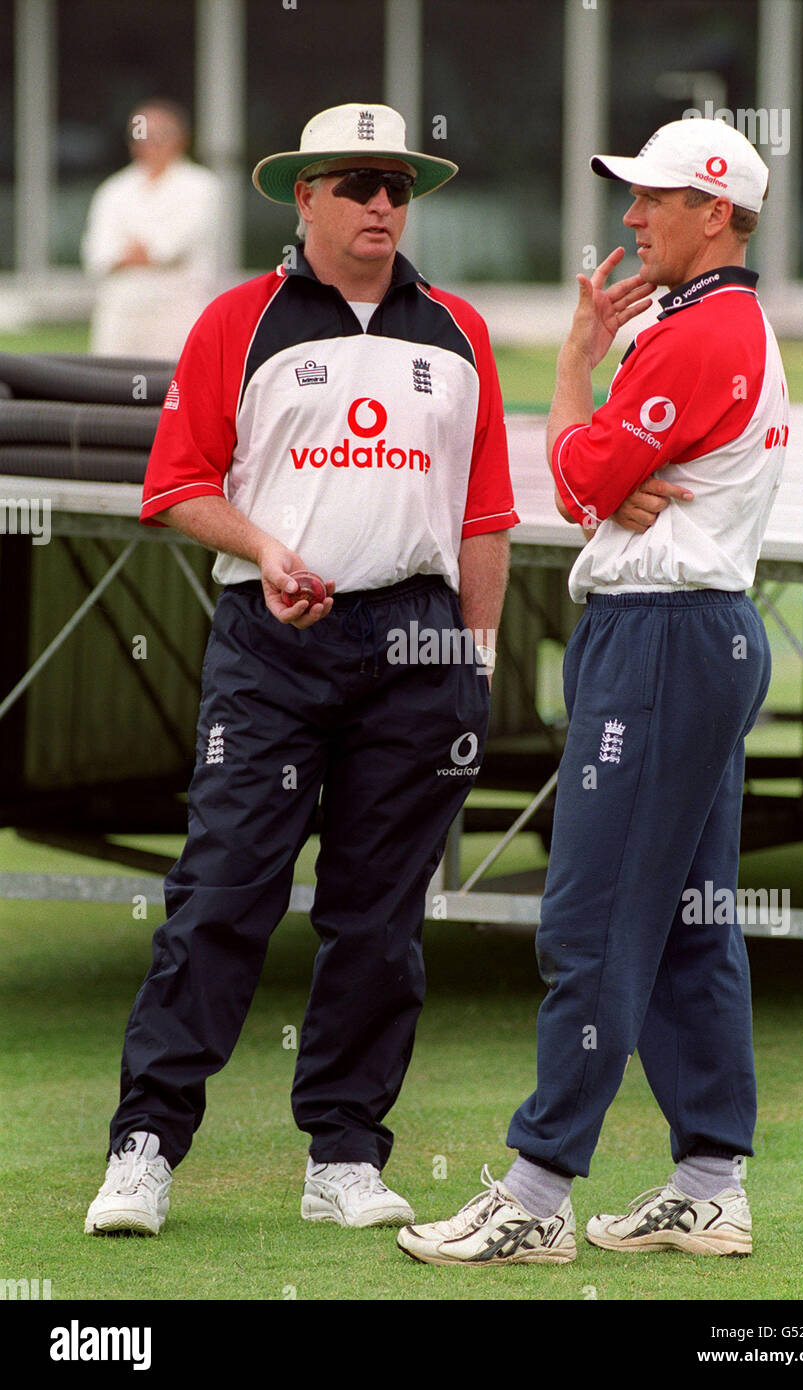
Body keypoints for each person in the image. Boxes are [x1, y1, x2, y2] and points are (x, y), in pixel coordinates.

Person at [84, 103, 517, 1236]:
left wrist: (474, 657)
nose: (383, 202)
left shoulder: (461, 330)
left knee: (379, 919)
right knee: (223, 893)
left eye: (398, 184)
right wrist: (266, 546)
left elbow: (485, 518)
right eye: (359, 182)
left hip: (419, 650)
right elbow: (177, 484)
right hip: (274, 645)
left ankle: (344, 1156)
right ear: (305, 196)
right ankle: (144, 1146)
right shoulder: (239, 319)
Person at [398, 117, 789, 1266]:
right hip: (697, 633)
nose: (629, 218)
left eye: (651, 198)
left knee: (590, 917)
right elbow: (596, 478)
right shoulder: (710, 323)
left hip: (660, 639)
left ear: (713, 210)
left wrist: (574, 369)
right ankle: (711, 1181)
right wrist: (599, 454)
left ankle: (536, 1192)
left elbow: (574, 477)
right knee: (687, 917)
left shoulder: (698, 333)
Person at [81, 99, 222, 359]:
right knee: (111, 389)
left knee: (173, 390)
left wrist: (134, 254)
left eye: (158, 136)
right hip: (121, 316)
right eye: (141, 137)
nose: (148, 145)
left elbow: (169, 247)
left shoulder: (202, 186)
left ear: (181, 139)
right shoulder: (114, 189)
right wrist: (137, 254)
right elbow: (98, 254)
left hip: (177, 313)